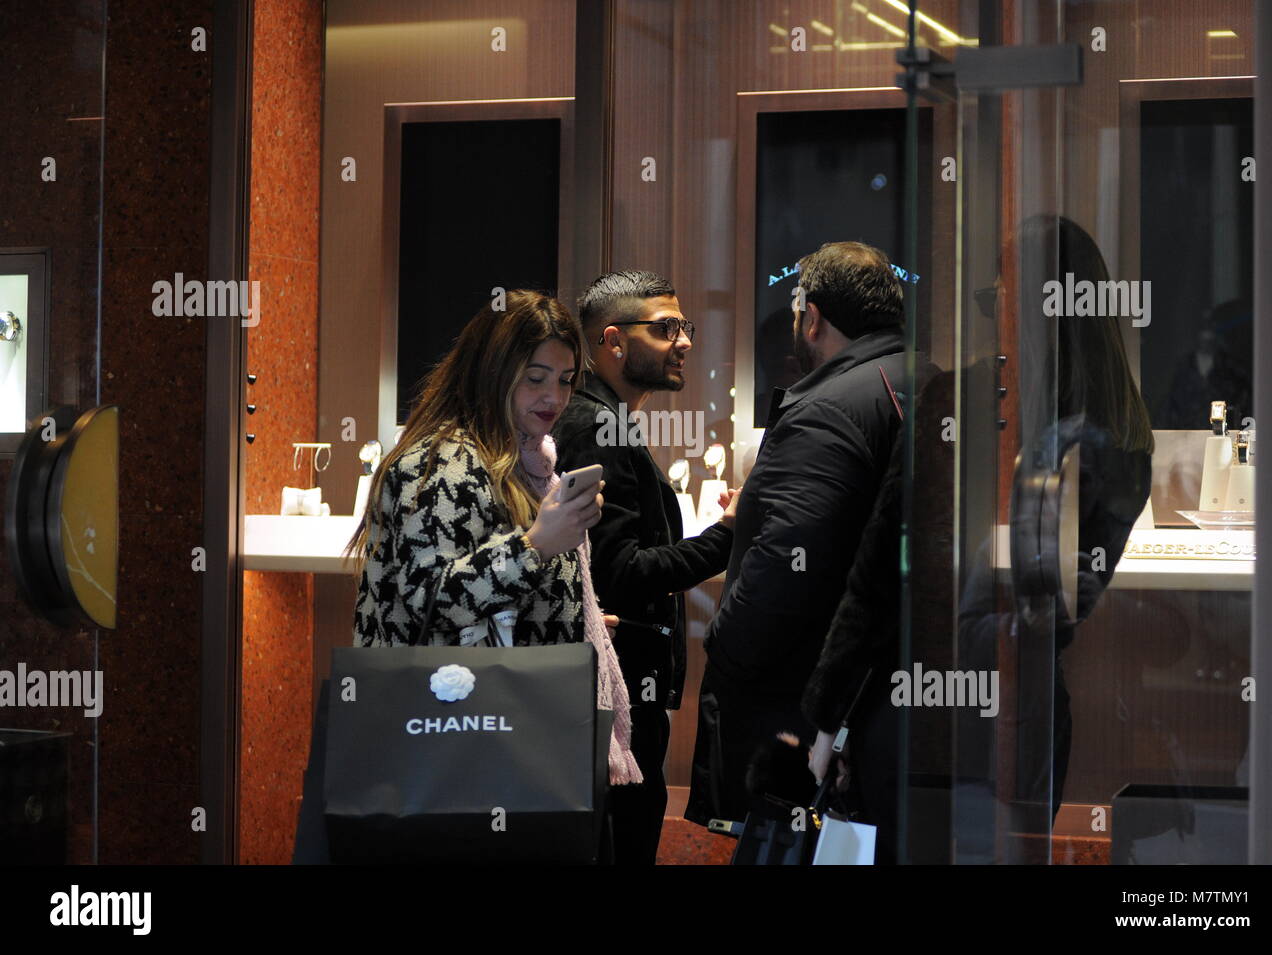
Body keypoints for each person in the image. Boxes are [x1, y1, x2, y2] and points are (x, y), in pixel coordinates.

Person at [346, 289, 641, 788]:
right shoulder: (442, 463)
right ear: (492, 370)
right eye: (535, 378)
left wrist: (571, 614)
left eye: (566, 381)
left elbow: (494, 590)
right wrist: (537, 548)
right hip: (457, 732)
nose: (555, 397)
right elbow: (428, 600)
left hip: (501, 728)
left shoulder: (524, 460)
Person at [685, 241, 908, 827]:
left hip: (798, 695)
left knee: (776, 844)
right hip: (878, 691)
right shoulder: (926, 381)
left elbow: (787, 568)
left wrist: (723, 650)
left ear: (811, 318)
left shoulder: (828, 407)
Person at [552, 270, 737, 864]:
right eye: (664, 328)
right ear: (612, 341)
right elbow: (621, 574)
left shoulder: (607, 420)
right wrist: (727, 538)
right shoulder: (595, 426)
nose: (683, 340)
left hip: (623, 691)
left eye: (684, 326)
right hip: (614, 696)